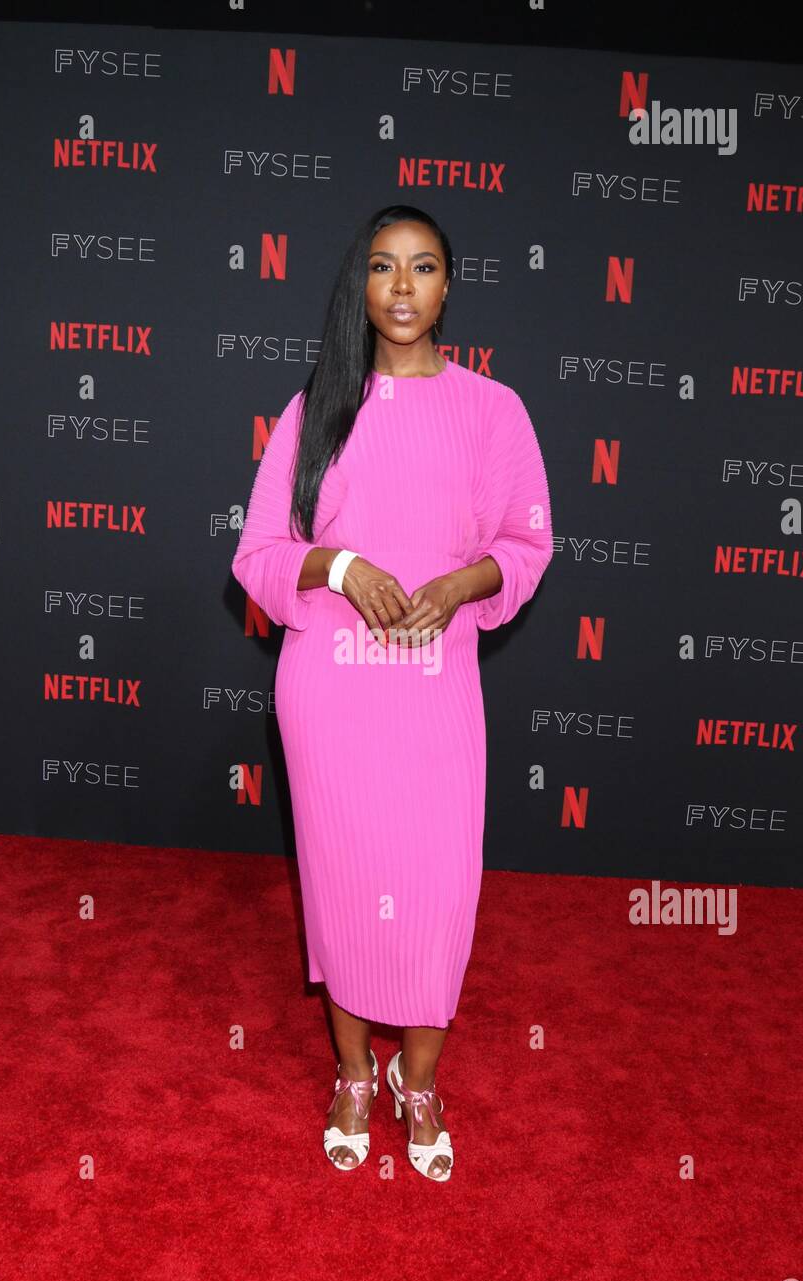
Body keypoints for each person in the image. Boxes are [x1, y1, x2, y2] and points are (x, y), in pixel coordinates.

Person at [231, 204, 553, 1182]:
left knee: (436, 893)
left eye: (421, 268)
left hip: (434, 690)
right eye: (382, 267)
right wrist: (335, 566)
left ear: (448, 286)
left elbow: (525, 544)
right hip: (329, 694)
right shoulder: (314, 408)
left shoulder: (492, 410)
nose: (402, 287)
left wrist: (461, 583)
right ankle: (352, 1075)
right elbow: (257, 557)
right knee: (339, 888)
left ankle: (419, 1082)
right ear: (360, 287)